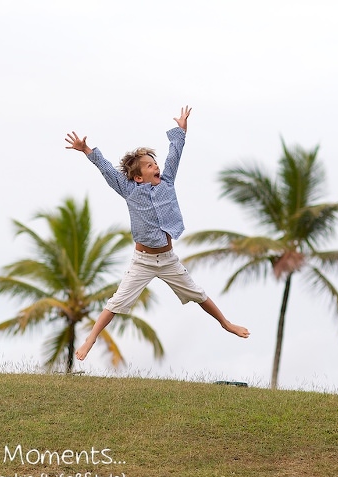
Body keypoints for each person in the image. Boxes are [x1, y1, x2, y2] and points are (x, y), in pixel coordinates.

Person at [65, 106, 250, 361]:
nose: (157, 167)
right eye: (150, 166)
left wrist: (181, 130)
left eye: (156, 164)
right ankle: (91, 338)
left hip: (168, 260)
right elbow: (107, 169)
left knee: (197, 293)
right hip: (142, 261)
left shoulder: (168, 181)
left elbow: (175, 154)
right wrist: (87, 150)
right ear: (138, 177)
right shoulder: (128, 189)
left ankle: (225, 323)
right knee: (117, 302)